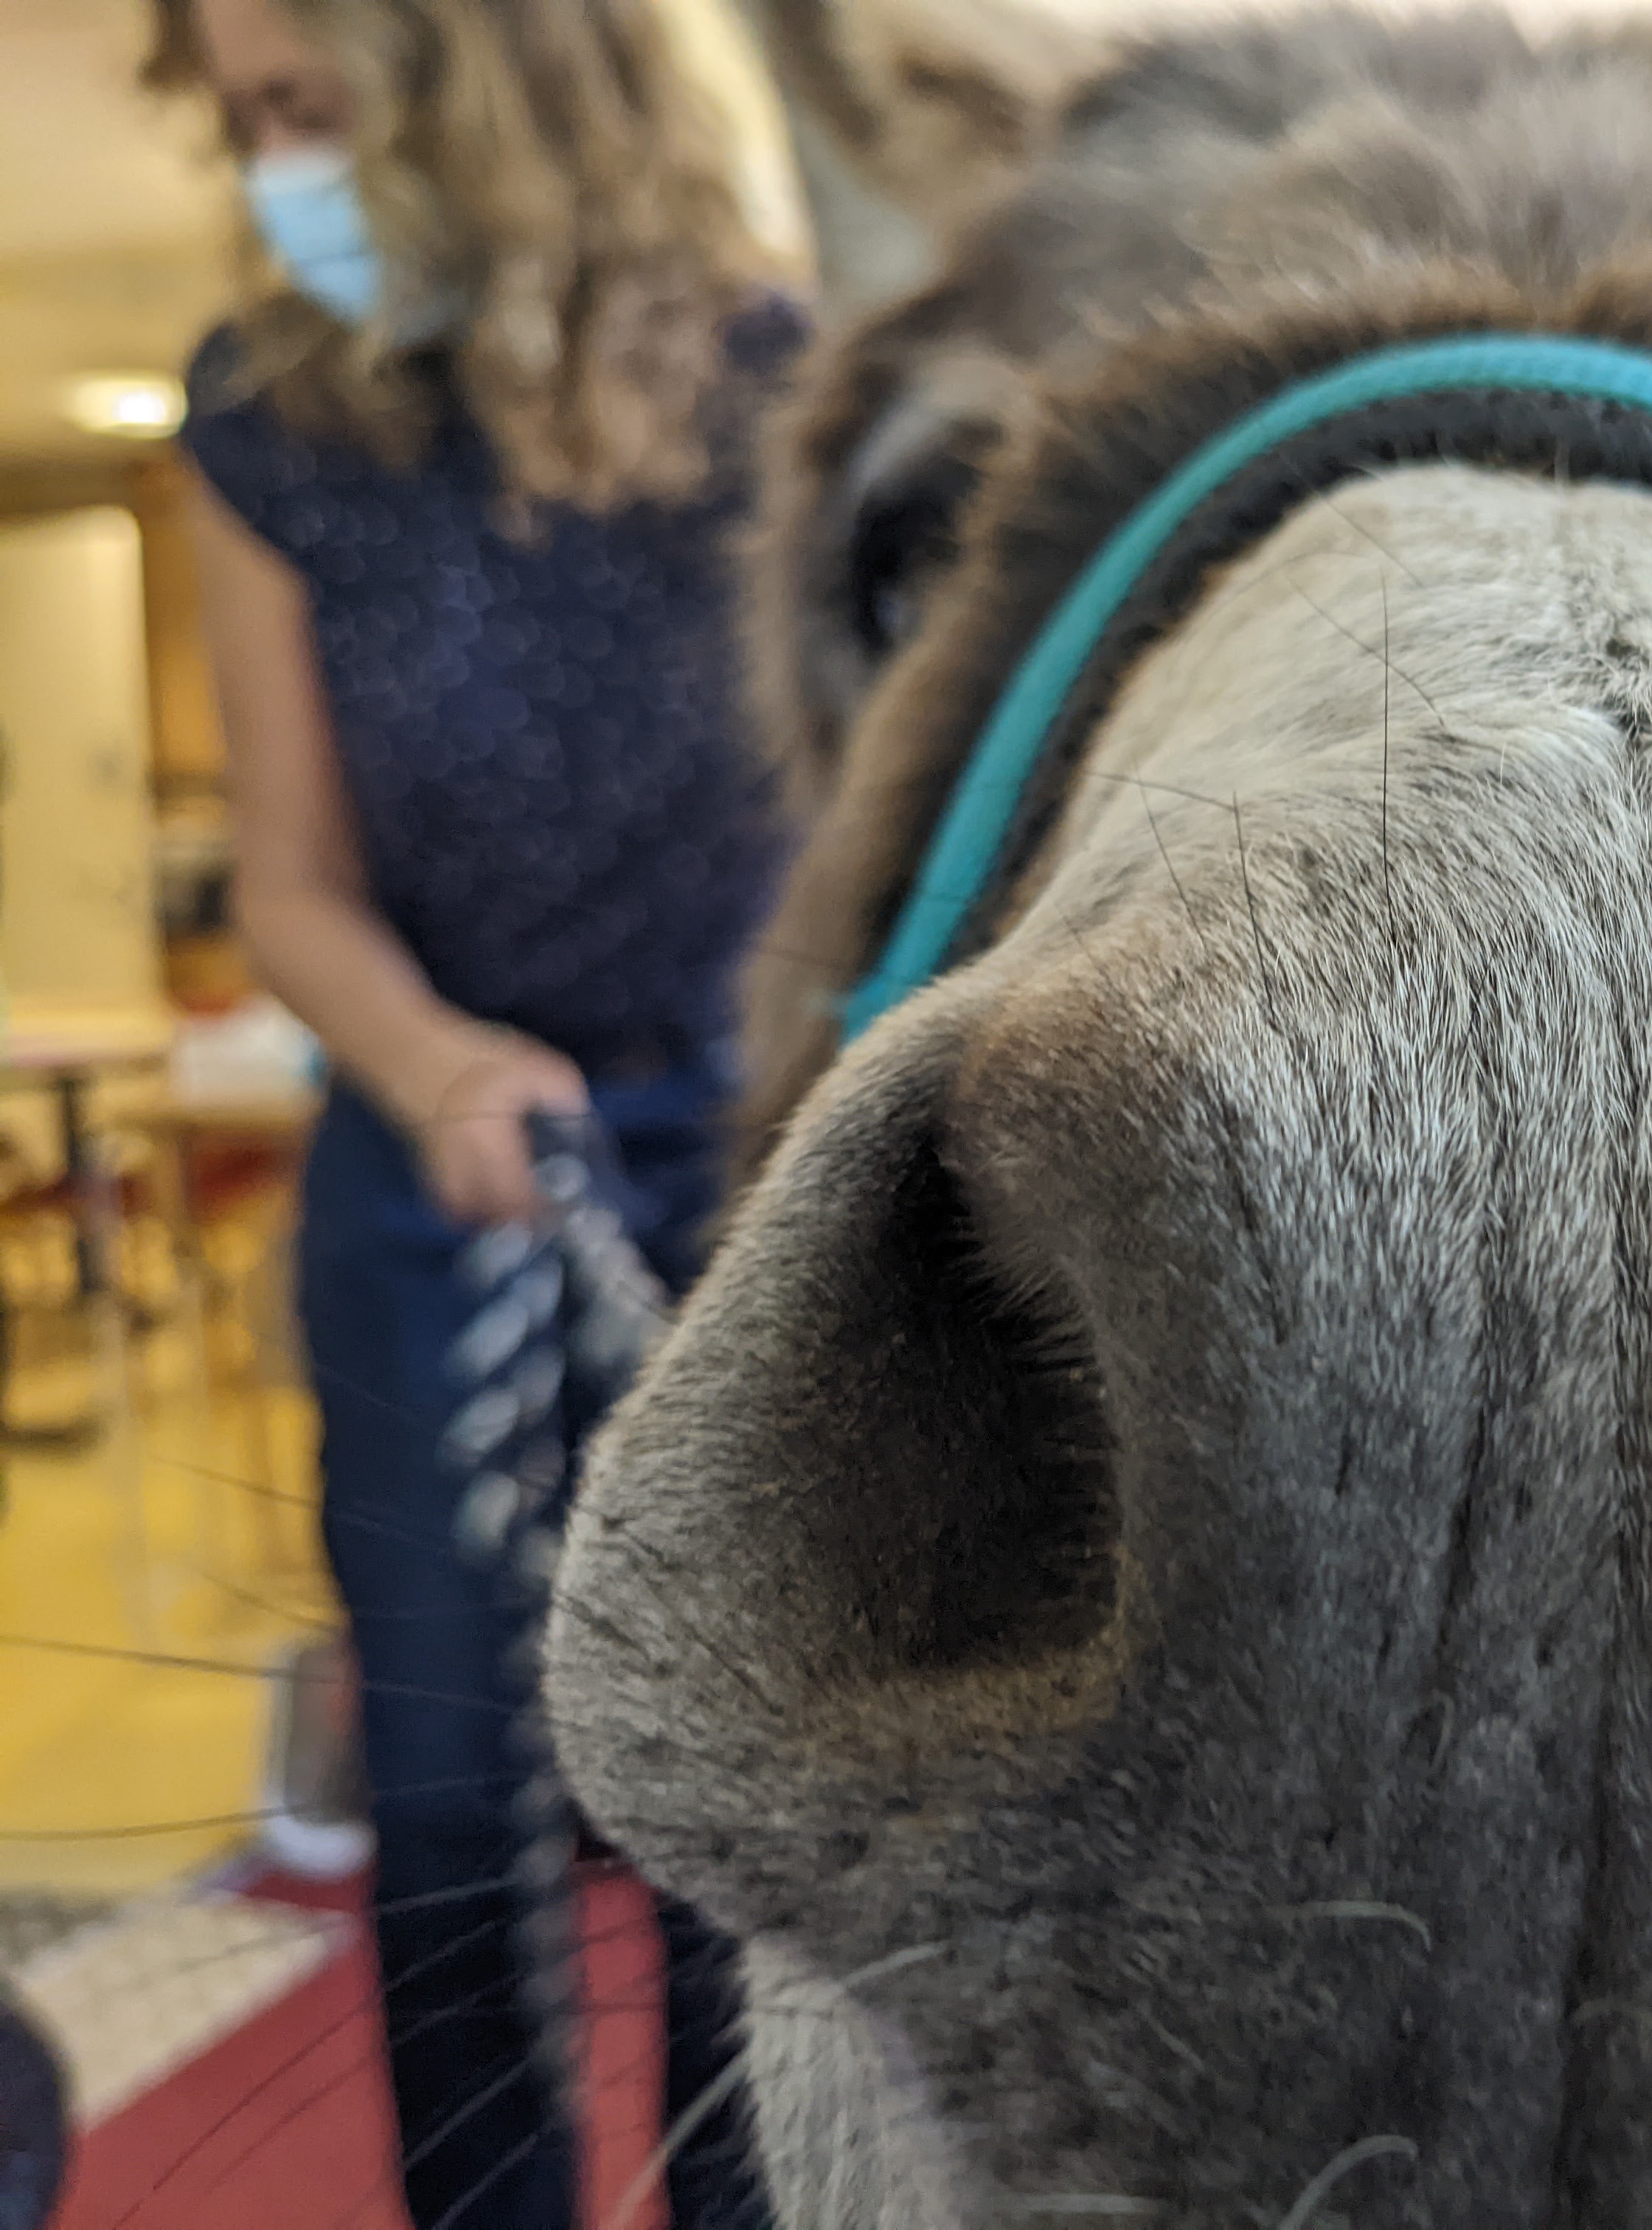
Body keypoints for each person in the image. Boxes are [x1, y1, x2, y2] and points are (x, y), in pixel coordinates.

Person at [149, 1, 802, 2220]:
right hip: (430, 1147)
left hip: (744, 1154)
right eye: (246, 122)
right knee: (444, 1801)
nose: (277, 170)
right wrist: (433, 1063)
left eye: (311, 108)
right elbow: (291, 883)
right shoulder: (268, 419)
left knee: (741, 1795)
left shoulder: (780, 382)